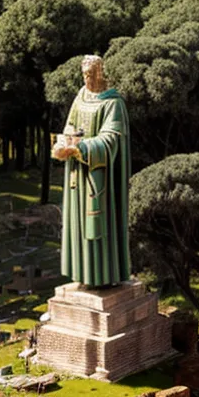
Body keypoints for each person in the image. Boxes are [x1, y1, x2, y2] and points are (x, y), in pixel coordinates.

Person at [51, 55, 131, 287]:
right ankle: (82, 274)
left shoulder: (113, 103)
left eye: (91, 75)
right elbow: (70, 125)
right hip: (77, 175)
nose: (87, 79)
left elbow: (110, 140)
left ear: (100, 74)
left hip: (99, 175)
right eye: (84, 75)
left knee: (97, 225)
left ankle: (103, 277)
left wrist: (81, 148)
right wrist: (64, 141)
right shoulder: (81, 96)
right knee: (76, 223)